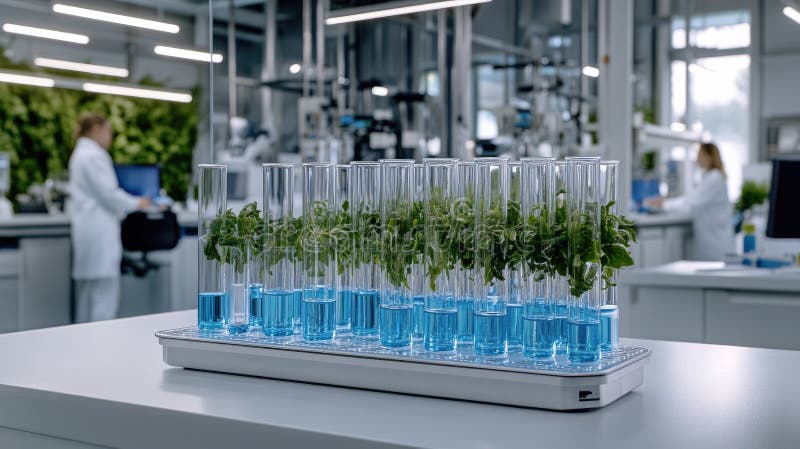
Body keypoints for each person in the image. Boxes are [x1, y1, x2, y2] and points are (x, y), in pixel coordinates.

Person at [68, 113, 150, 322]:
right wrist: (137, 203)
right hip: (99, 234)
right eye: (109, 132)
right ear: (96, 128)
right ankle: (100, 348)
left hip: (88, 232)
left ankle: (83, 349)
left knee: (86, 300)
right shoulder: (94, 155)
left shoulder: (80, 154)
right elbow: (109, 193)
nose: (110, 138)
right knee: (104, 300)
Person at [647, 142, 734, 261]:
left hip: (716, 243)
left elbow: (692, 201)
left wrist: (664, 204)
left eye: (700, 154)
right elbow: (693, 200)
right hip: (711, 240)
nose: (697, 158)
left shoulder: (714, 178)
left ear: (709, 157)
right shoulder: (709, 177)